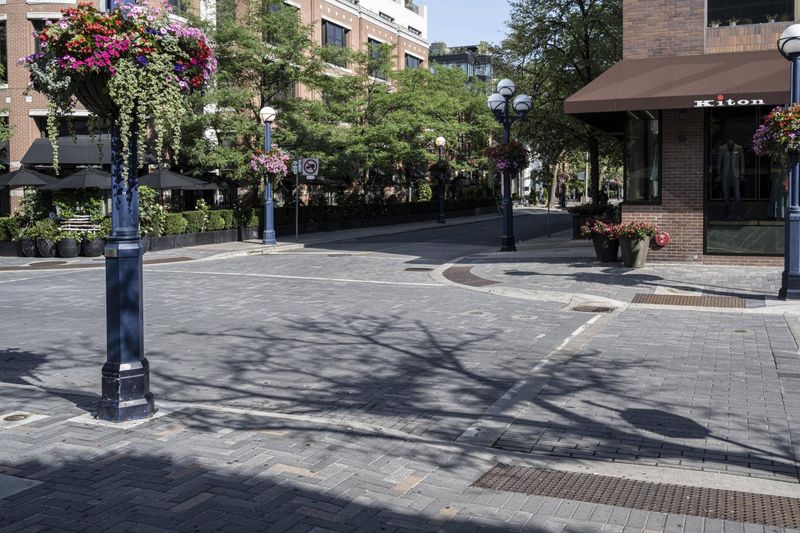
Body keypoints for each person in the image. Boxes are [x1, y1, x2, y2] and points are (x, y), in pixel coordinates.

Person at [716, 139, 744, 220]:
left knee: (737, 196)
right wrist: (718, 173)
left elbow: (742, 161)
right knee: (726, 195)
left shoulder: (739, 148)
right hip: (725, 175)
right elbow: (719, 161)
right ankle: (728, 214)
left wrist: (742, 173)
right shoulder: (722, 148)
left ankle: (738, 214)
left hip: (736, 174)